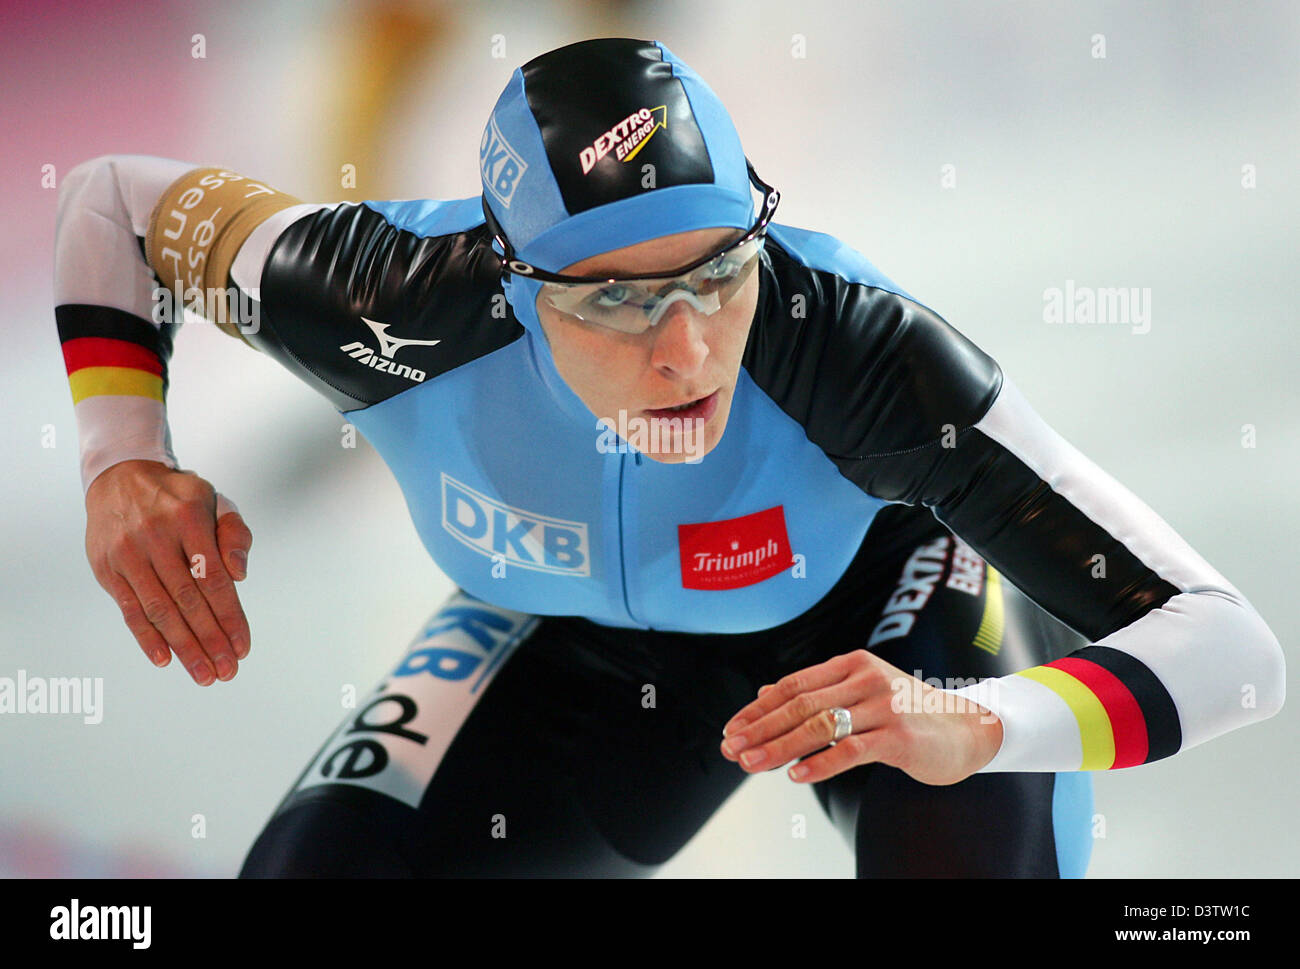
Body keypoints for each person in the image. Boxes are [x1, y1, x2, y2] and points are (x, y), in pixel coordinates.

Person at [54, 38, 1284, 878]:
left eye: (717, 273)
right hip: (571, 634)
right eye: (615, 303)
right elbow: (111, 203)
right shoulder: (387, 301)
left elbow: (1229, 644)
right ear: (514, 285)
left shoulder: (854, 350)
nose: (687, 348)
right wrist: (121, 456)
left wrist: (984, 723)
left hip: (876, 626)